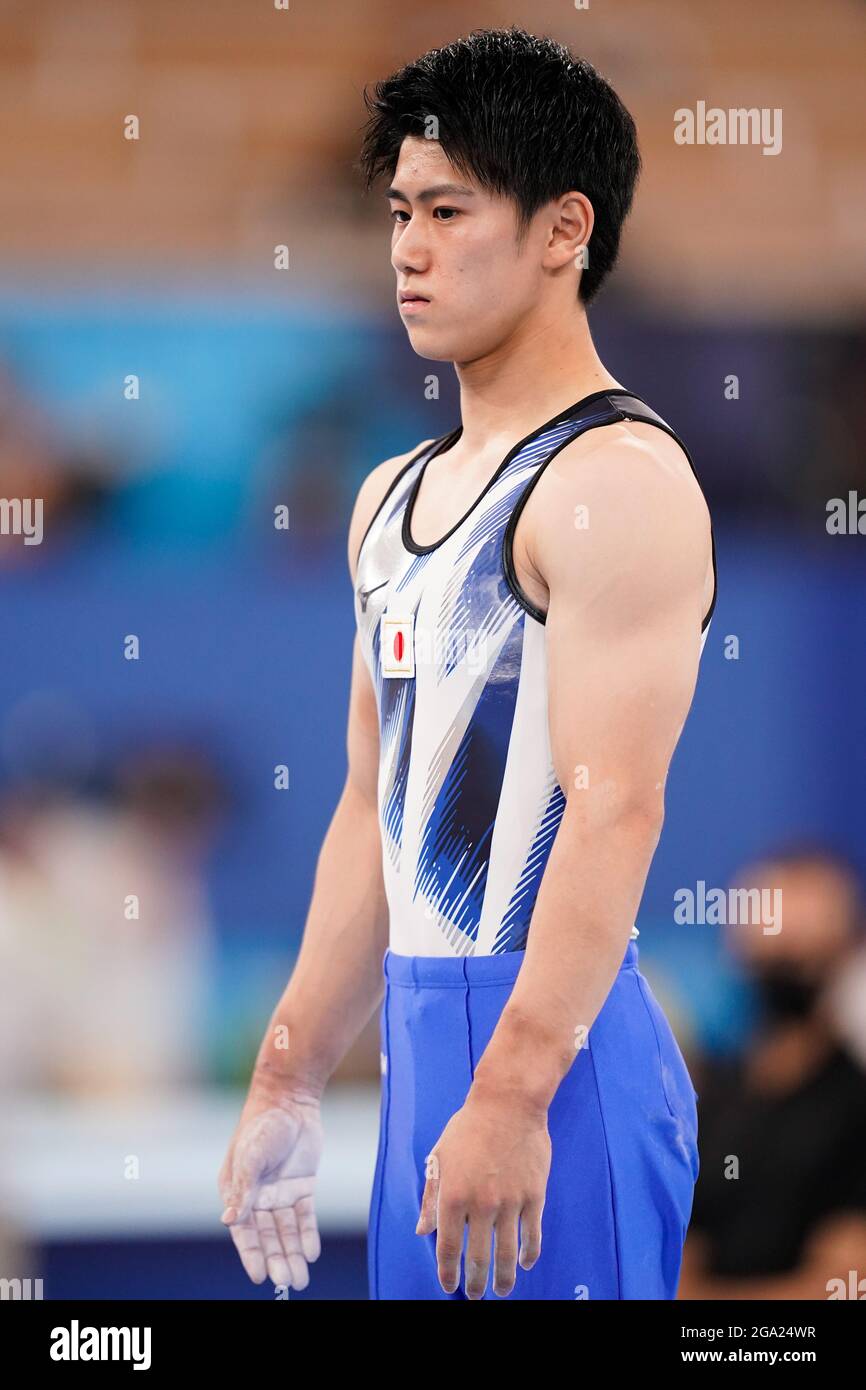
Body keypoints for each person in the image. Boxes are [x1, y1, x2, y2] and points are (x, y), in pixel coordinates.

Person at [218, 26, 717, 1300]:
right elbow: (364, 816)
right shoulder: (387, 498)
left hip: (557, 1062)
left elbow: (615, 808)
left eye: (447, 210)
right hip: (424, 1053)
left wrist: (512, 1089)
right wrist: (287, 1073)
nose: (406, 248)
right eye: (397, 211)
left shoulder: (614, 485)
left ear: (563, 231)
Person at [680, 845, 866, 1299]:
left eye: (805, 947)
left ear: (846, 948)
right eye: (773, 941)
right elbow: (671, 1261)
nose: (787, 956)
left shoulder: (854, 1106)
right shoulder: (703, 1099)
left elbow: (844, 1285)